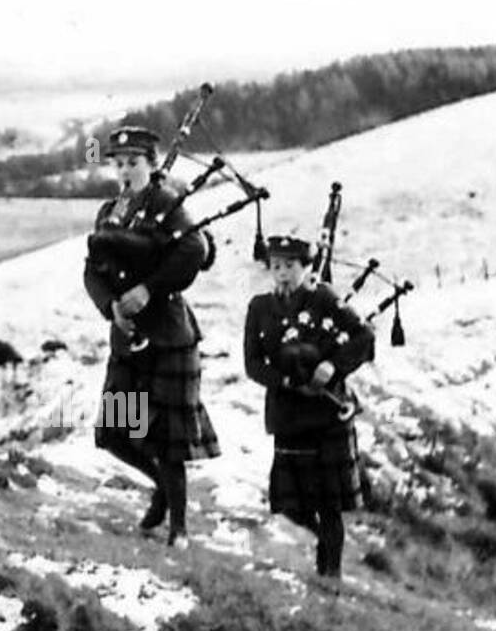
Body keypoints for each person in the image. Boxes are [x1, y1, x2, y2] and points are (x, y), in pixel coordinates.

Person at [83, 125, 220, 549]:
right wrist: (112, 307)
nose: (125, 172)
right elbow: (93, 268)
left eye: (133, 163)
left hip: (168, 336)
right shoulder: (109, 211)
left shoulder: (168, 204)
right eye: (118, 164)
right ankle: (161, 489)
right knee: (116, 431)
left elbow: (195, 250)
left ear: (151, 165)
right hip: (128, 338)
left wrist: (150, 288)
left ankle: (178, 527)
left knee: (168, 441)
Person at [243, 234, 375, 581]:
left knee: (329, 503)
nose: (283, 274)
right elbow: (253, 364)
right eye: (276, 267)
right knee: (289, 503)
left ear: (305, 268)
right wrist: (286, 382)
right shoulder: (259, 308)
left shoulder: (324, 300)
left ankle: (329, 575)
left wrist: (333, 367)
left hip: (326, 416)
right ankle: (324, 543)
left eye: (290, 266)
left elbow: (364, 337)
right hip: (288, 415)